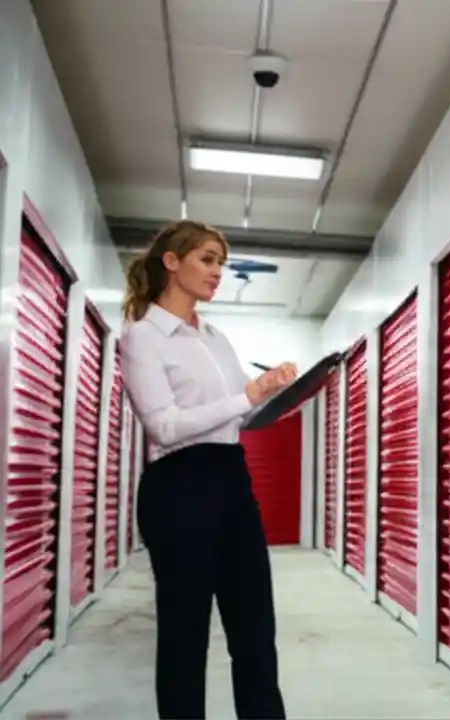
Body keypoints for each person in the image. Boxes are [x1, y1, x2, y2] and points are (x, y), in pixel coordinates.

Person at [119, 219, 296, 719]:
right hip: (178, 488)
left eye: (221, 261)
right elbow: (163, 426)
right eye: (207, 259)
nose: (218, 272)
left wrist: (281, 389)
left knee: (256, 630)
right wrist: (245, 395)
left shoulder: (214, 337)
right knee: (184, 636)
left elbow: (244, 409)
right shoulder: (143, 337)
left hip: (231, 481)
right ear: (171, 263)